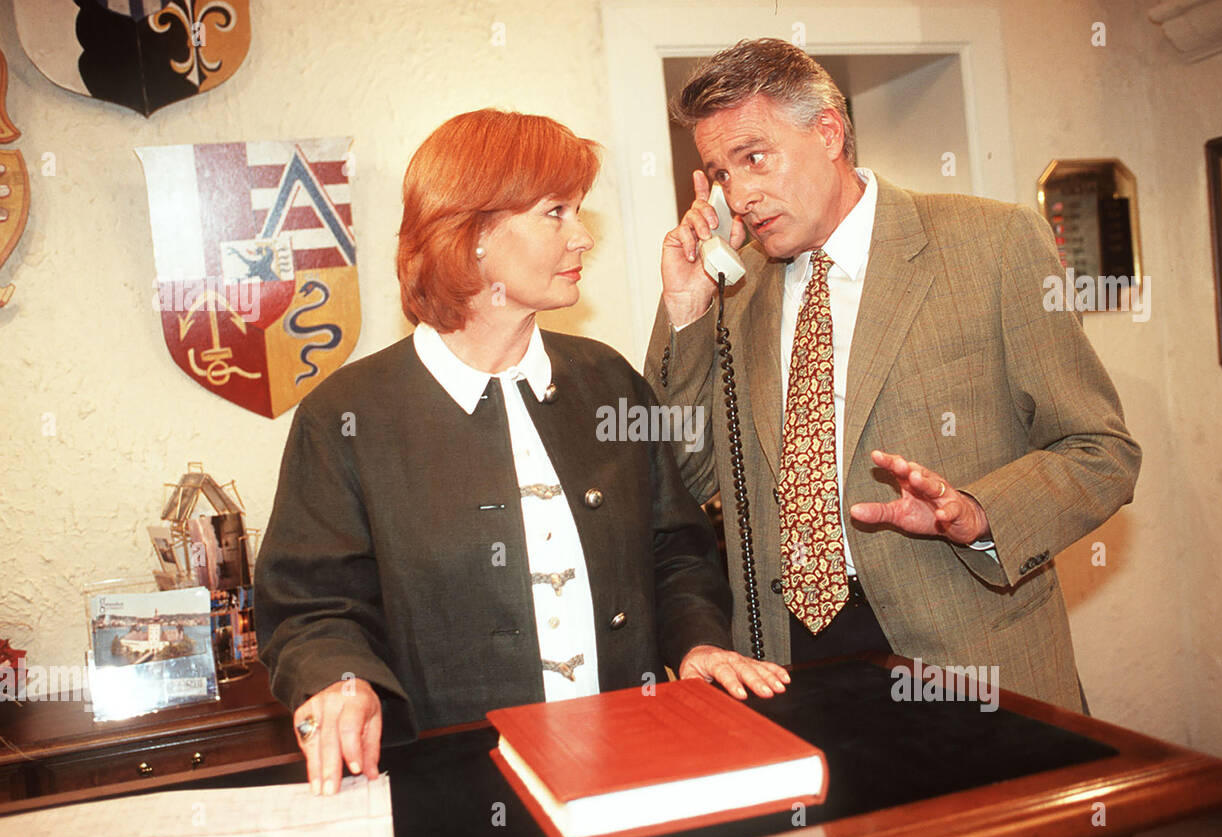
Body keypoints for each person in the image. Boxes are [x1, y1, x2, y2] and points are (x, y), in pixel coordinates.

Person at [255, 109, 789, 796]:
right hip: (458, 787)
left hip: (635, 765)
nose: (583, 237)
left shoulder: (605, 379)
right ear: (473, 233)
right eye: (556, 212)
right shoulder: (346, 415)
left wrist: (697, 643)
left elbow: (676, 550)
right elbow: (312, 607)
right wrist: (338, 680)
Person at [645, 39, 1141, 711]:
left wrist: (980, 512)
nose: (741, 193)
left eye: (753, 157)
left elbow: (1100, 452)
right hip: (788, 657)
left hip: (963, 649)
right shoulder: (733, 290)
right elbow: (683, 476)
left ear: (828, 132)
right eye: (720, 173)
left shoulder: (991, 245)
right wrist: (685, 309)